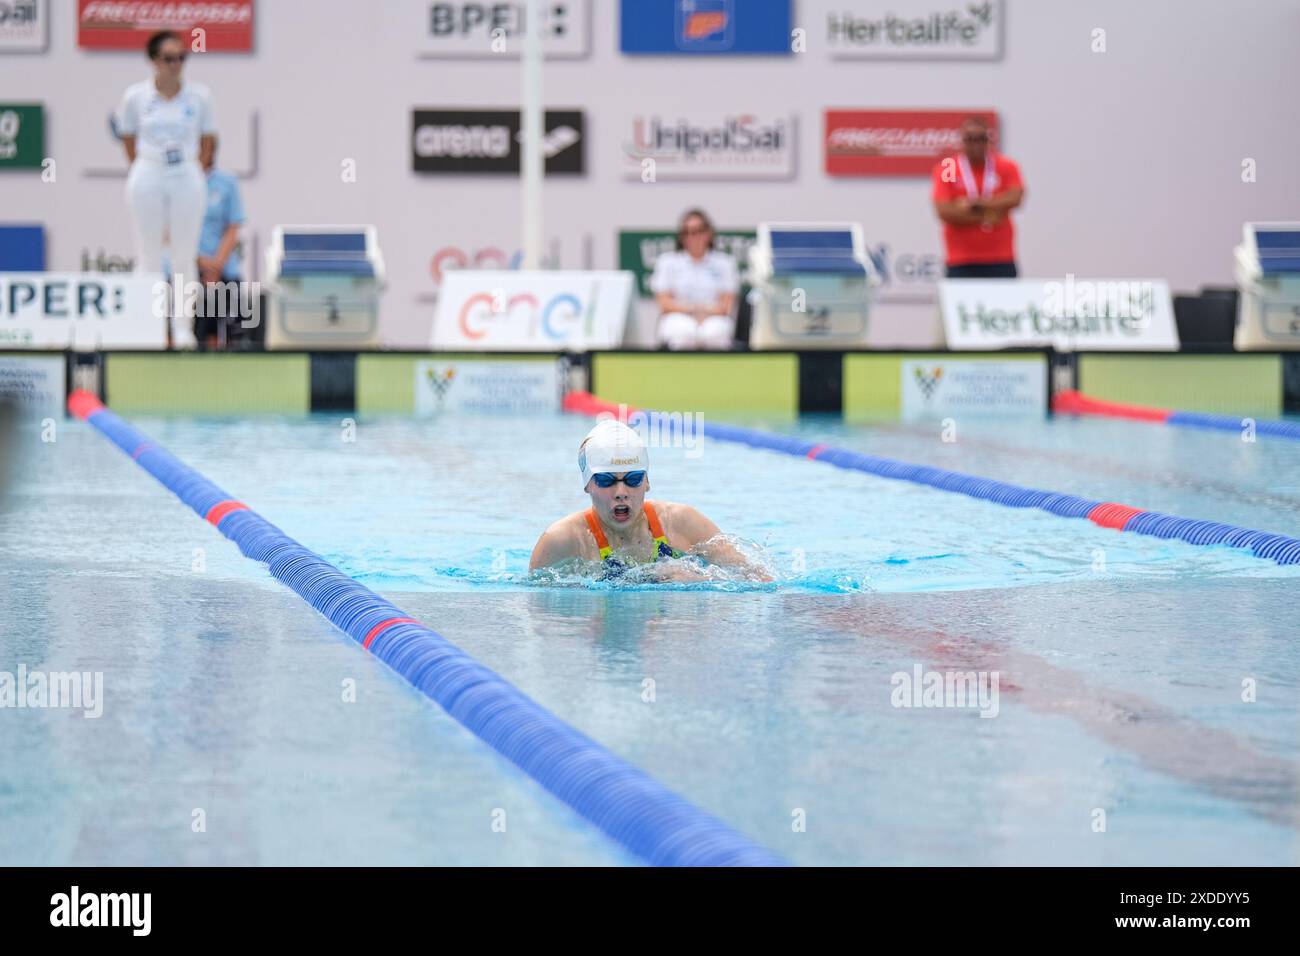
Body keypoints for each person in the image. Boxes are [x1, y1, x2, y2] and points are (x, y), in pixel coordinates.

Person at [529, 419, 769, 581]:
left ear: (647, 481)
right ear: (588, 484)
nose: (621, 491)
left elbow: (757, 578)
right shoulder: (562, 541)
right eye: (606, 480)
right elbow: (543, 609)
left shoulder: (682, 523)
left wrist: (700, 581)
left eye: (632, 479)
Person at [117, 30, 217, 349]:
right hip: (149, 170)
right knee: (148, 254)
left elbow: (207, 142)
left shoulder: (200, 96)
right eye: (169, 58)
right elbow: (129, 140)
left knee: (184, 255)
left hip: (185, 171)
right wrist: (148, 168)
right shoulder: (135, 97)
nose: (176, 65)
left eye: (181, 58)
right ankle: (149, 327)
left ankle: (183, 330)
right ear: (153, 60)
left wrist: (189, 172)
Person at [931, 116, 1025, 278]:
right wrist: (991, 214)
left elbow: (1015, 197)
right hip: (961, 260)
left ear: (988, 141)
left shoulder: (1006, 165)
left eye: (981, 139)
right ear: (962, 141)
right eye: (970, 139)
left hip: (1001, 258)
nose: (976, 145)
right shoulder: (948, 168)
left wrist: (974, 205)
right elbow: (944, 211)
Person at [649, 208, 739, 350]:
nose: (694, 237)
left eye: (699, 231)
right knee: (684, 333)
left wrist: (706, 312)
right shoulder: (667, 262)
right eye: (688, 232)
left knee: (715, 332)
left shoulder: (725, 263)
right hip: (679, 316)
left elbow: (726, 305)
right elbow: (664, 303)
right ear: (682, 237)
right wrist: (693, 309)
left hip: (713, 317)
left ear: (709, 233)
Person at [193, 143, 247, 349]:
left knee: (231, 315)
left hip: (222, 268)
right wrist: (199, 262)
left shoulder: (227, 182)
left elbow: (233, 226)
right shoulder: (178, 186)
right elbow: (171, 232)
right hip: (189, 267)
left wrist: (216, 265)